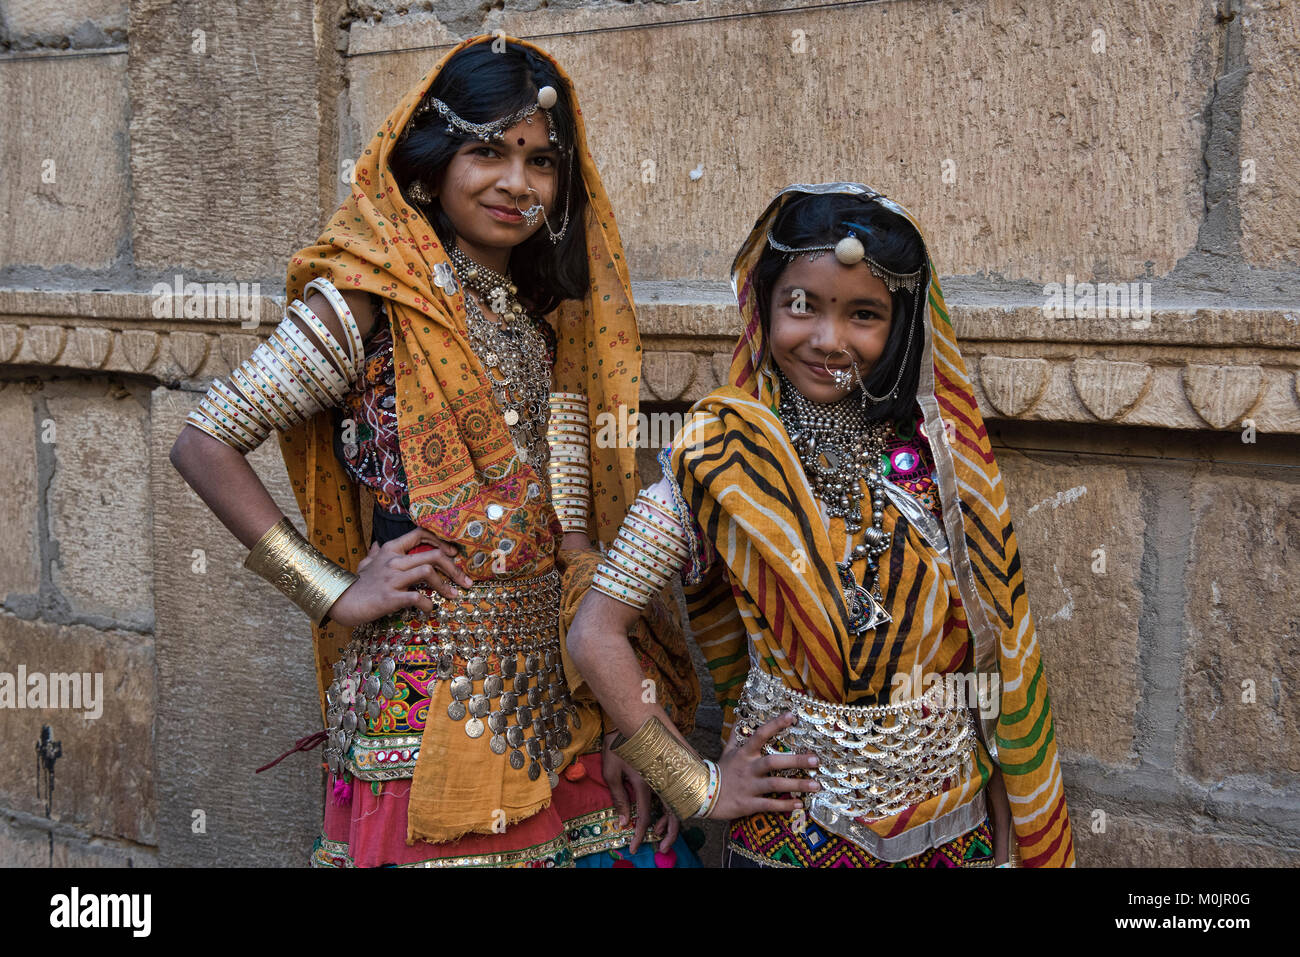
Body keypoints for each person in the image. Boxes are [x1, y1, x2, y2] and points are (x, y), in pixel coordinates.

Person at [169, 35, 702, 868]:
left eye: (540, 162)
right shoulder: (372, 299)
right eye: (488, 151)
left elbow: (564, 540)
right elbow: (205, 442)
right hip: (421, 707)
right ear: (430, 164)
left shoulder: (539, 324)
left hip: (547, 704)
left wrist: (616, 727)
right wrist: (333, 591)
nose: (515, 183)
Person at [566, 183, 1076, 867]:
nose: (829, 339)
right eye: (801, 306)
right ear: (764, 306)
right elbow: (595, 632)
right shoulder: (723, 458)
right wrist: (697, 786)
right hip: (793, 837)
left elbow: (1000, 651)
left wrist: (1014, 810)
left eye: (864, 314)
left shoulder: (942, 463)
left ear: (902, 324)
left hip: (952, 825)